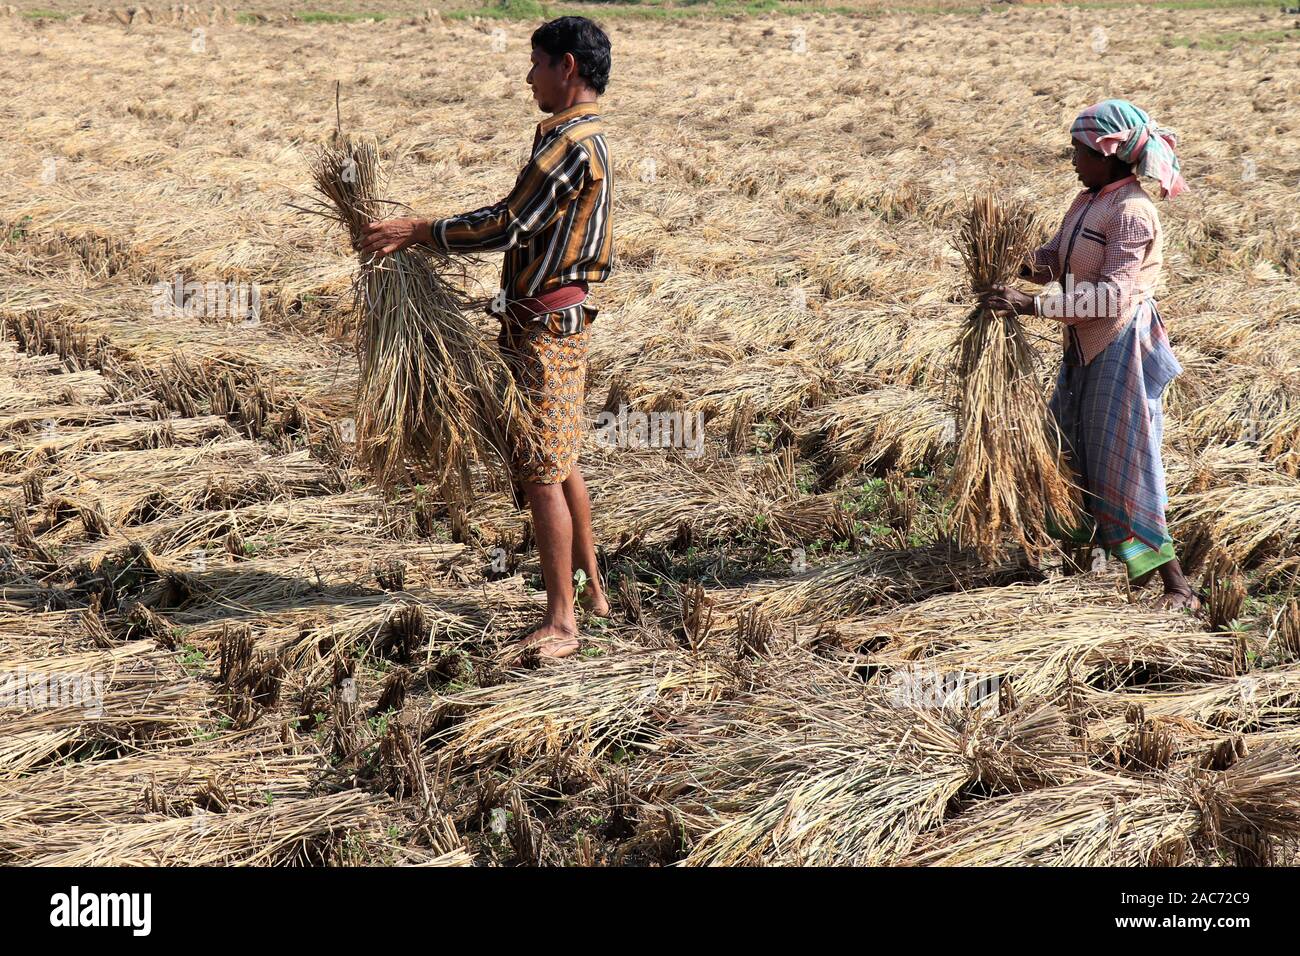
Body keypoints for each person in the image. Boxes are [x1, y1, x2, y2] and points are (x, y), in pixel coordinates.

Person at [360, 16, 614, 656]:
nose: (528, 76)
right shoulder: (582, 135)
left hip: (546, 333)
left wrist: (420, 230)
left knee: (540, 473)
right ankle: (594, 590)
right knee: (562, 458)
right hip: (557, 321)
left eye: (536, 64)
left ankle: (562, 622)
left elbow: (506, 223)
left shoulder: (568, 146)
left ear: (568, 68)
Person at [981, 99, 1199, 611]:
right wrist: (1016, 264)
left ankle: (1177, 587)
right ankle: (1080, 558)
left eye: (1078, 151)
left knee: (1123, 458)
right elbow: (1056, 258)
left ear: (1109, 154)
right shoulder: (1087, 202)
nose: (1072, 159)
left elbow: (1111, 297)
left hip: (1120, 344)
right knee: (1068, 444)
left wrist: (1031, 306)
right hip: (1082, 343)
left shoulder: (1132, 211)